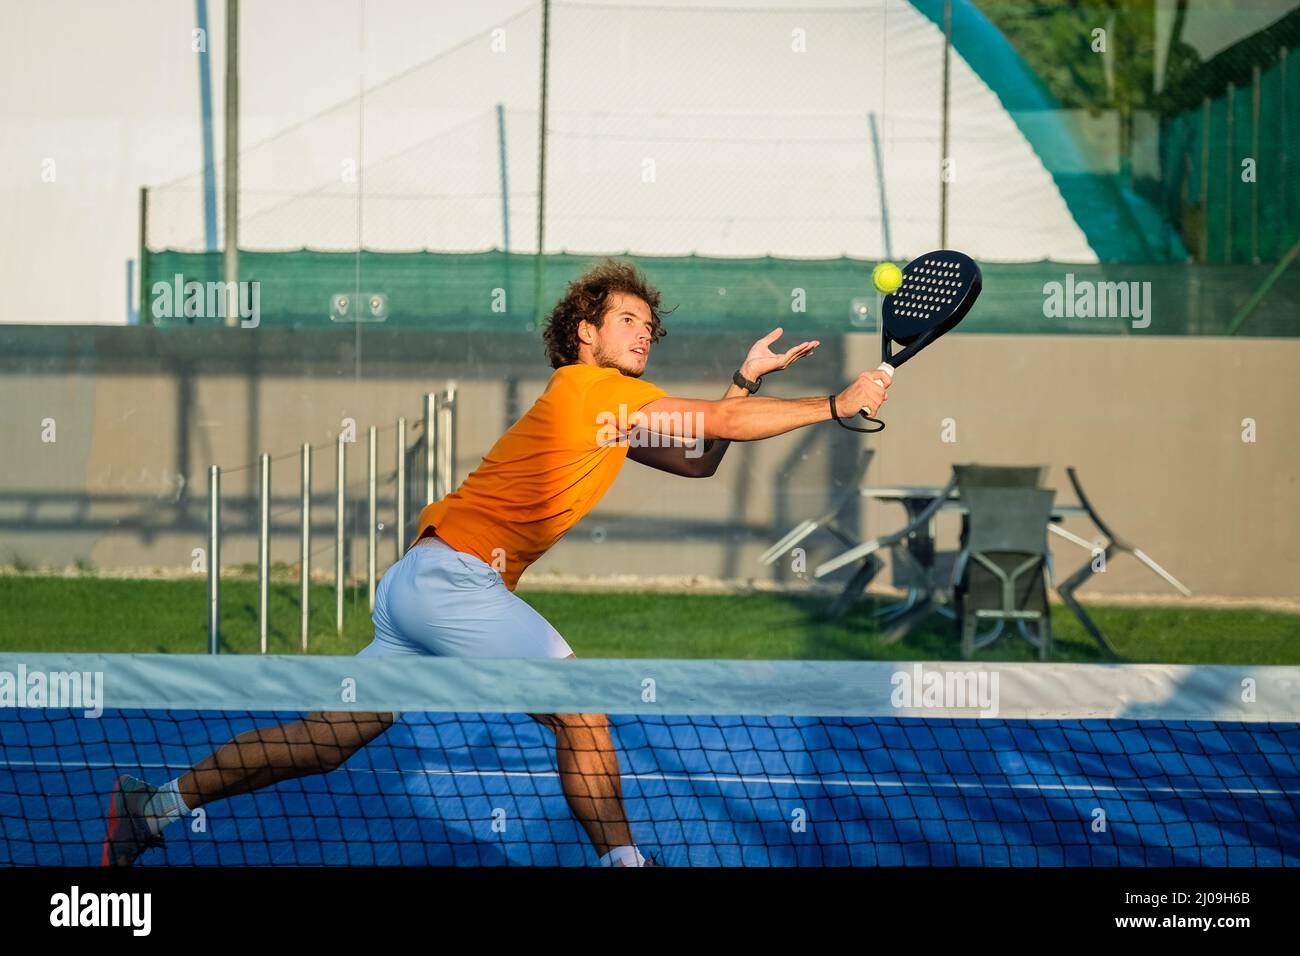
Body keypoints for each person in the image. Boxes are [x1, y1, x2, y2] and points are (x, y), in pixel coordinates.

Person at [102, 259, 891, 867]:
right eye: (627, 321)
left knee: (328, 739)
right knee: (580, 705)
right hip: (453, 580)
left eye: (649, 326)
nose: (643, 334)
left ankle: (155, 806)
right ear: (586, 332)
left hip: (420, 583)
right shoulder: (588, 389)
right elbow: (719, 423)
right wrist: (832, 404)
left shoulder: (607, 412)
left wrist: (744, 380)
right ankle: (625, 862)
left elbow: (700, 459)